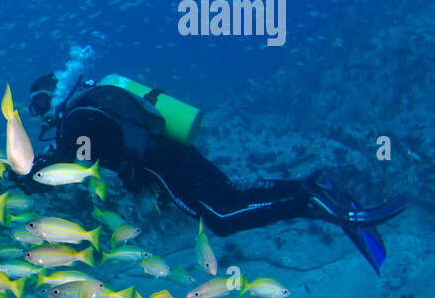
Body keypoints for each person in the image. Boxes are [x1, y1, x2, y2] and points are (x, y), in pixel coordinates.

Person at [23, 73, 409, 274]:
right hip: (176, 152)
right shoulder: (94, 105)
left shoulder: (77, 116)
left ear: (56, 95)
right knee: (234, 193)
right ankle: (311, 186)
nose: (41, 114)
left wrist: (26, 172)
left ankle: (320, 206)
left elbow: (71, 161)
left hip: (163, 166)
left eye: (40, 104)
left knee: (221, 218)